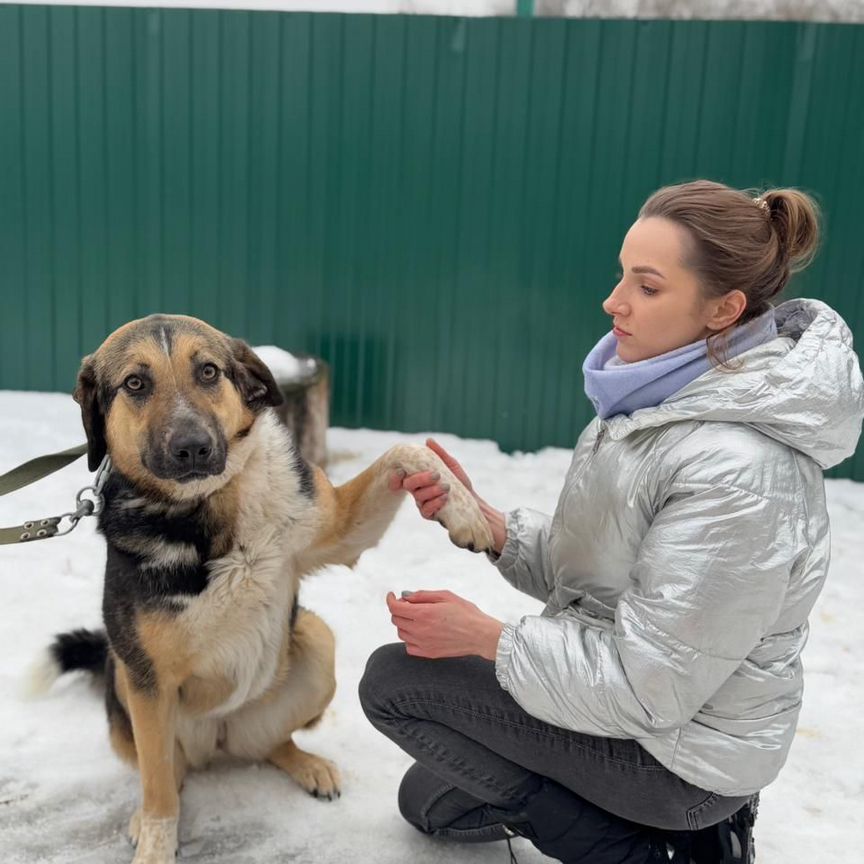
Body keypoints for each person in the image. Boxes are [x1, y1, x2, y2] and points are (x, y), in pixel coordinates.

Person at [358, 180, 864, 864]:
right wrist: (489, 526)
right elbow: (601, 577)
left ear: (725, 309)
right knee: (428, 801)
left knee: (395, 684)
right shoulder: (659, 405)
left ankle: (678, 850)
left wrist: (487, 640)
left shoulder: (739, 469)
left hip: (682, 757)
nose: (613, 301)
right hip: (630, 710)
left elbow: (650, 688)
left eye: (647, 286)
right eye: (622, 274)